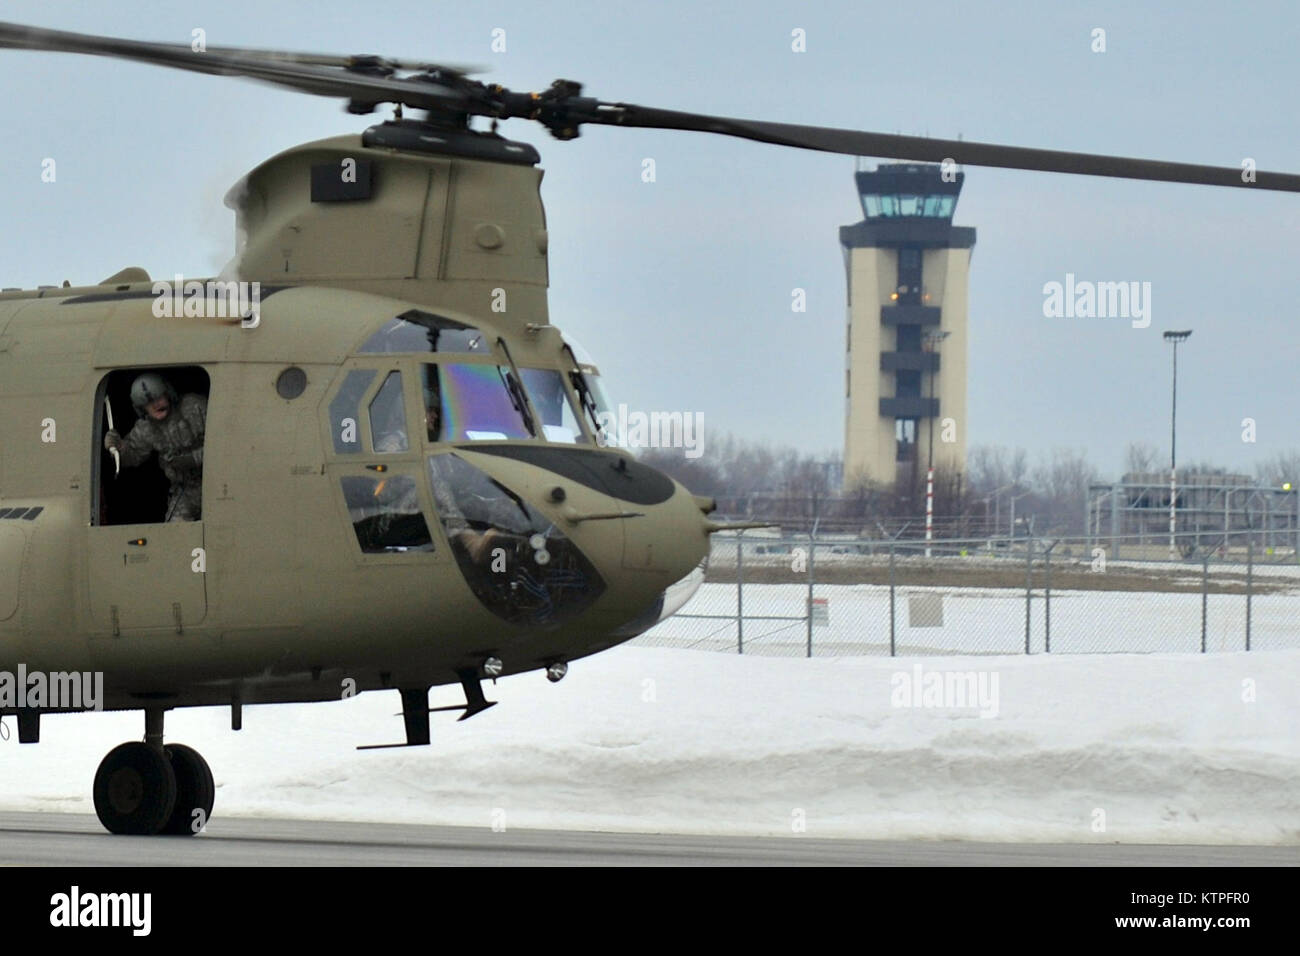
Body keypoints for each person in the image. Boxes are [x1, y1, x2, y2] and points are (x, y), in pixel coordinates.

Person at [104, 373, 207, 522]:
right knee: (175, 530)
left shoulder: (195, 406)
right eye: (149, 402)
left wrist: (194, 459)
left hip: (217, 481)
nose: (156, 404)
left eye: (159, 397)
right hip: (186, 490)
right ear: (142, 408)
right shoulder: (145, 429)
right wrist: (118, 448)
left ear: (168, 394)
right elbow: (132, 455)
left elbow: (229, 443)